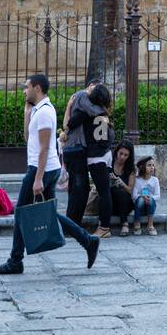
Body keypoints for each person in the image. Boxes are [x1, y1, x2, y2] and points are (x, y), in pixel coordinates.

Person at [0, 73, 100, 274]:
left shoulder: (44, 113)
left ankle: (15, 260)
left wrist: (38, 178)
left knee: (21, 213)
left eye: (27, 87)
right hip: (45, 167)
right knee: (49, 213)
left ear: (37, 88)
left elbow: (43, 149)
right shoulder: (37, 110)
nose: (24, 90)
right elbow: (27, 138)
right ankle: (88, 241)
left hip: (41, 169)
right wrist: (26, 112)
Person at [62, 82, 113, 239]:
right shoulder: (103, 114)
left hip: (95, 156)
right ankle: (103, 226)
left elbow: (68, 125)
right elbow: (105, 138)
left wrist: (70, 106)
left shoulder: (86, 113)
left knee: (102, 192)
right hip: (105, 153)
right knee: (103, 191)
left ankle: (104, 227)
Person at [109, 139, 136, 236]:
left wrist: (121, 183)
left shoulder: (130, 168)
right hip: (110, 202)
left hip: (125, 204)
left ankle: (124, 223)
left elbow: (130, 190)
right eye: (121, 153)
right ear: (116, 151)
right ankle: (103, 225)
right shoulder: (109, 163)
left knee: (121, 192)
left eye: (126, 155)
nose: (122, 157)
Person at [132, 156, 160, 236]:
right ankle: (137, 223)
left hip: (150, 206)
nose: (152, 167)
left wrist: (149, 197)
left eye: (153, 165)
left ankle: (150, 224)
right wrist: (142, 197)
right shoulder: (137, 180)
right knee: (140, 200)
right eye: (149, 165)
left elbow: (158, 196)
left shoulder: (155, 180)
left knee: (151, 199)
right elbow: (134, 195)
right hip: (139, 206)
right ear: (142, 167)